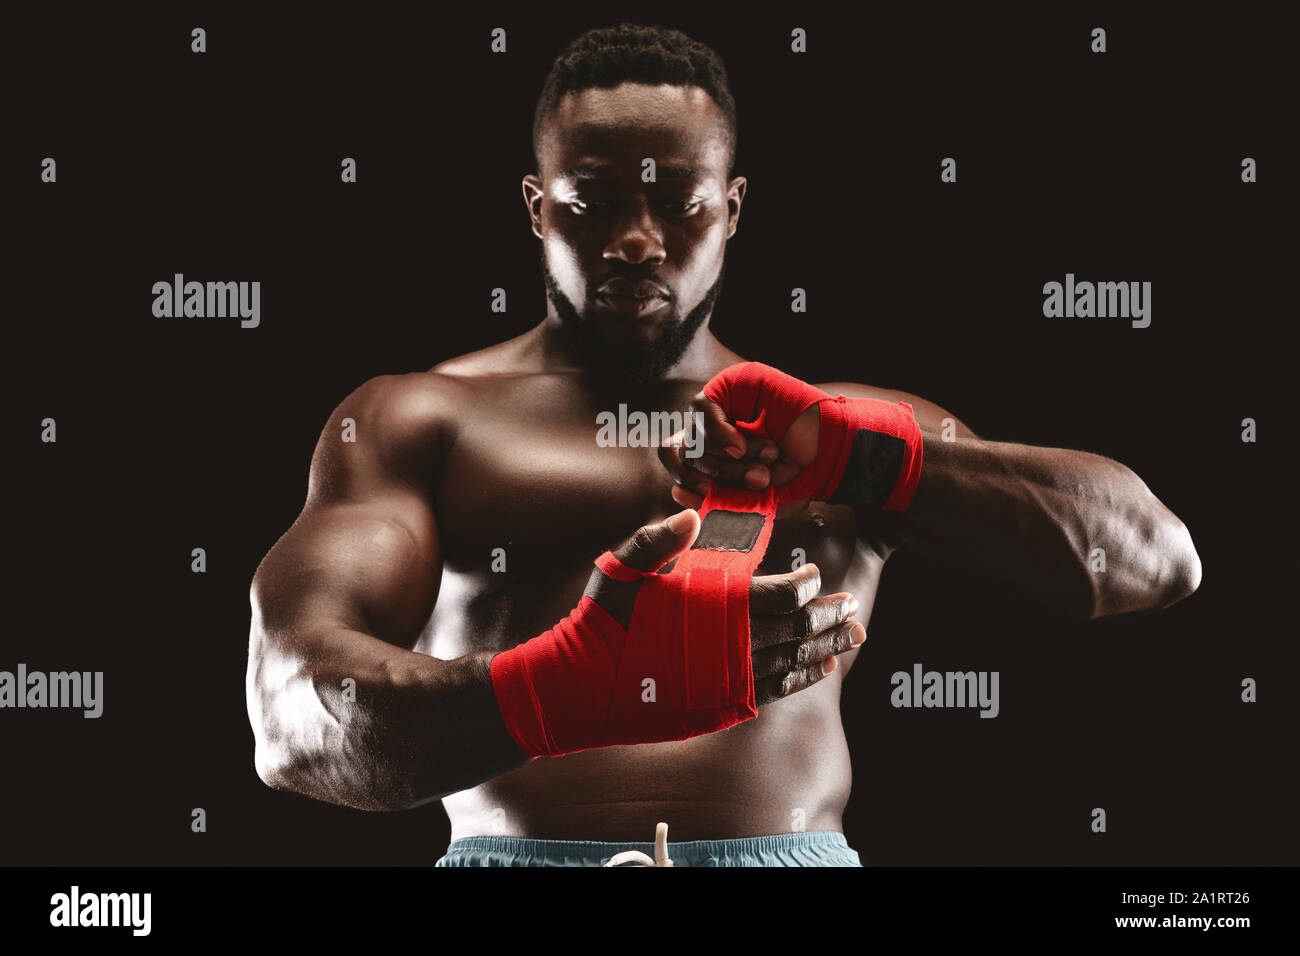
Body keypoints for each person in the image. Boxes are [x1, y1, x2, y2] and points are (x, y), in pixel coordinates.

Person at [245, 23, 1201, 867]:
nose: (636, 239)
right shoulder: (421, 419)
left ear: (732, 208)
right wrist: (560, 693)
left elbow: (1154, 560)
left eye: (679, 202)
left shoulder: (837, 422)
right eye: (594, 200)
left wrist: (867, 461)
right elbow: (291, 720)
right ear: (537, 207)